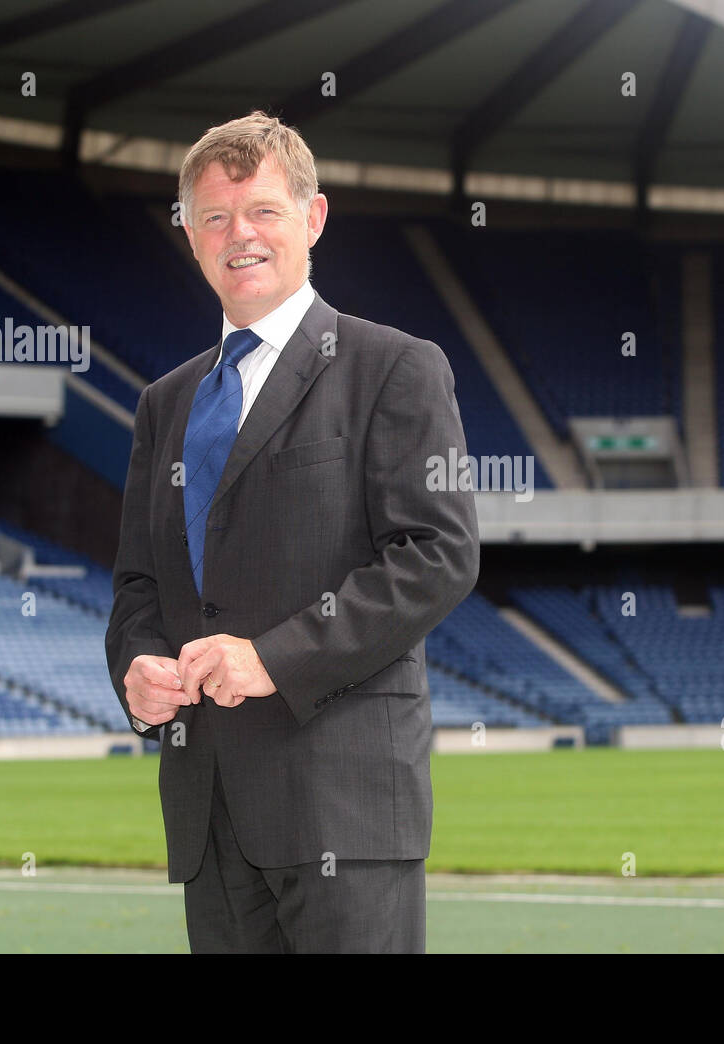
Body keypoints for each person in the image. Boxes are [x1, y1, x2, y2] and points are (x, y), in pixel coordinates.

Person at [105, 110, 480, 954]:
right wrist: (135, 666)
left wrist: (271, 658)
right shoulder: (164, 404)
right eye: (214, 218)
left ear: (311, 219)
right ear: (193, 239)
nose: (239, 235)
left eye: (263, 211)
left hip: (340, 805)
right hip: (209, 810)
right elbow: (138, 585)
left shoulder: (394, 366)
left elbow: (440, 555)